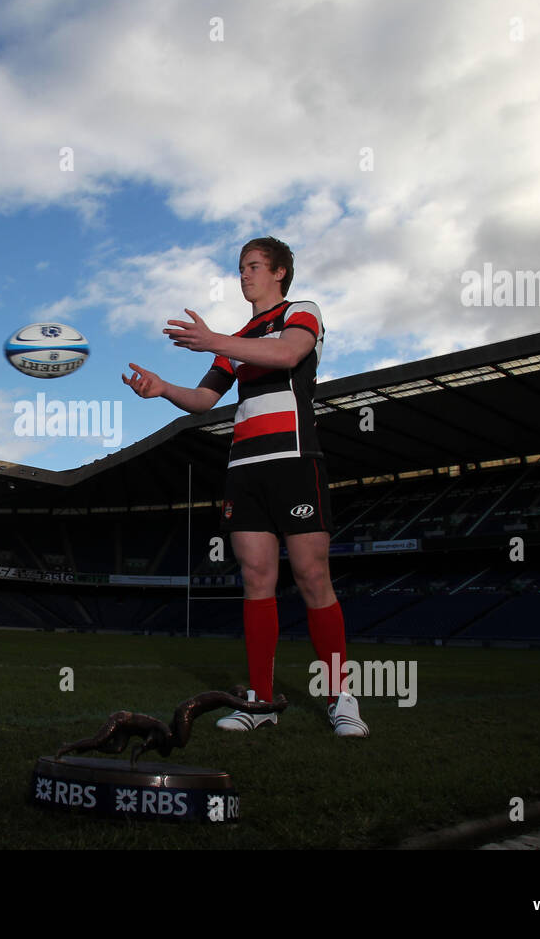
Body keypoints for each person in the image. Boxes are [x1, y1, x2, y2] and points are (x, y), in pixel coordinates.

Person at [123, 237, 368, 737]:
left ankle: (341, 698)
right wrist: (163, 388)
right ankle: (259, 702)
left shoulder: (301, 310)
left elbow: (287, 353)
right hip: (245, 466)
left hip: (295, 461)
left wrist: (216, 341)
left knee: (311, 575)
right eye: (240, 268)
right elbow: (203, 399)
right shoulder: (236, 338)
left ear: (279, 272)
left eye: (254, 266)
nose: (244, 275)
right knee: (256, 578)